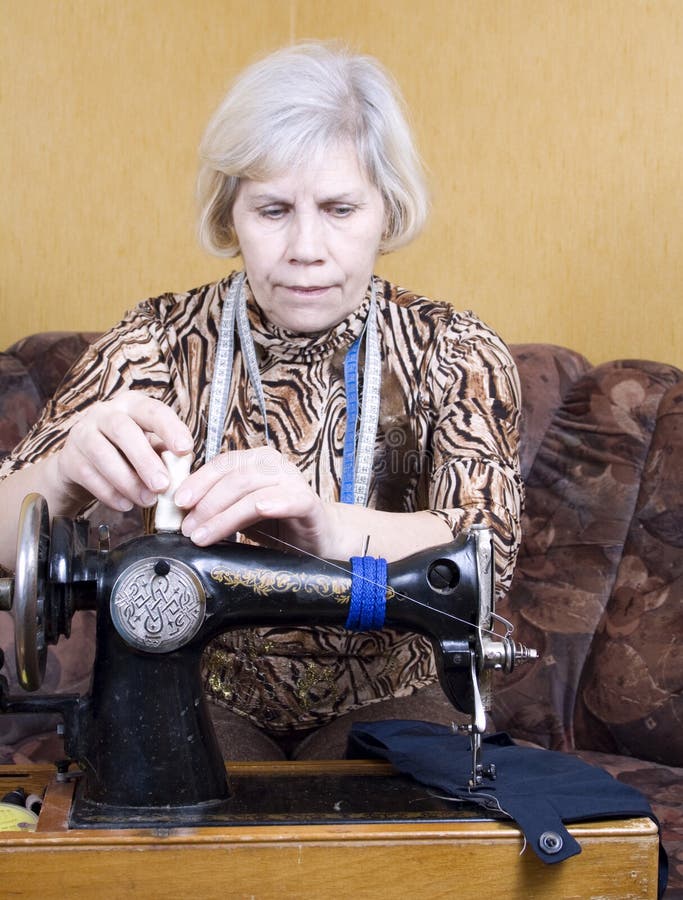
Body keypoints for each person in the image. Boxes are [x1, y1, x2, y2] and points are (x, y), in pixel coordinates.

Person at [0, 42, 523, 760]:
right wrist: (59, 476)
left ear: (386, 210)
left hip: (396, 691)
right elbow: (5, 541)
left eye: (340, 208)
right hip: (196, 685)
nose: (306, 247)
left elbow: (485, 557)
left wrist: (324, 528)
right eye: (272, 209)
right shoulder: (155, 343)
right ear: (230, 214)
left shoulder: (455, 354)